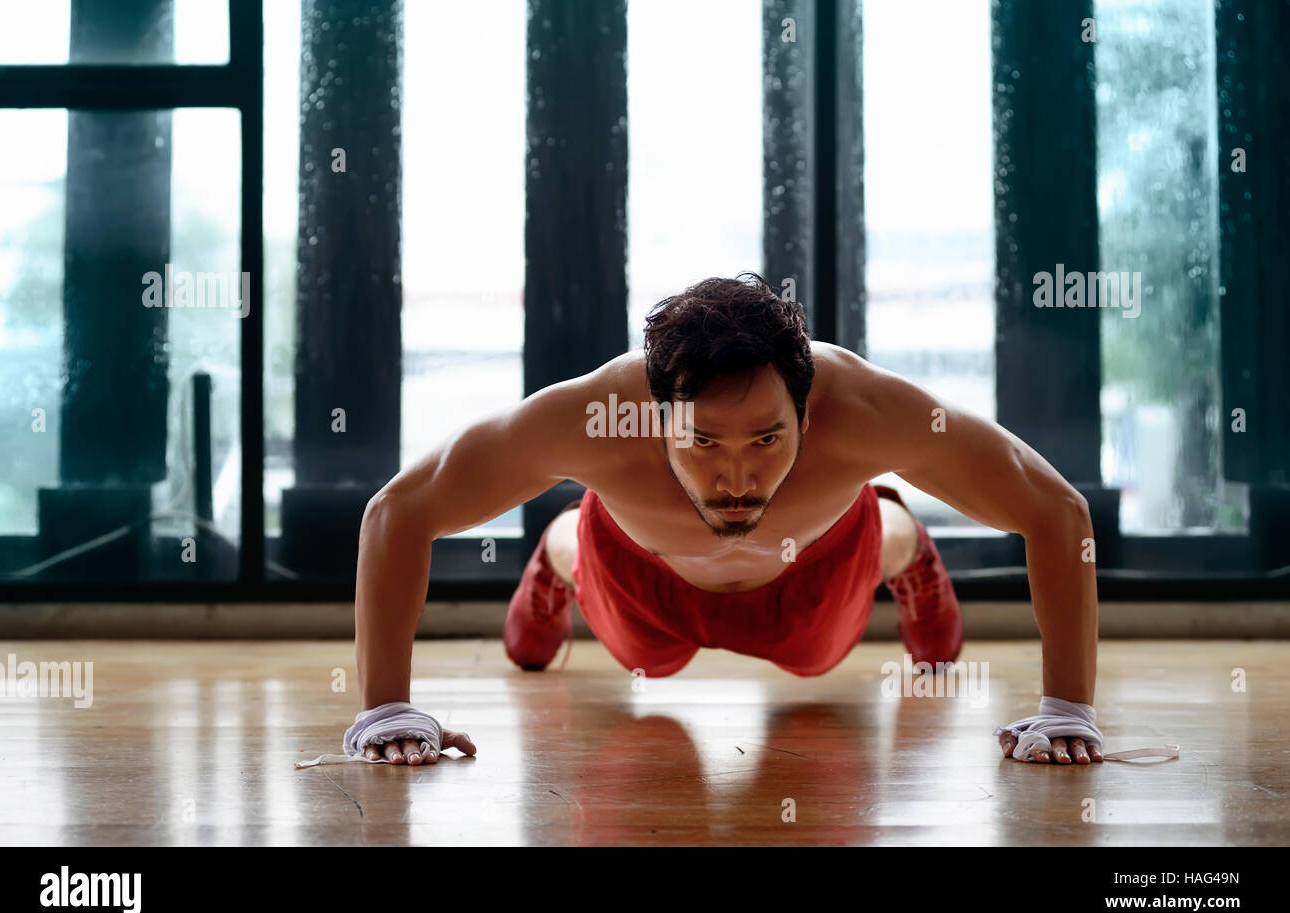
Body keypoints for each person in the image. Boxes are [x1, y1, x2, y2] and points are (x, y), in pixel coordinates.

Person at [350, 273, 1102, 767]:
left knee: (818, 651)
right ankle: (558, 552)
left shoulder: (867, 413)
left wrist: (1067, 709)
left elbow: (1056, 510)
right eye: (703, 443)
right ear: (657, 415)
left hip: (809, 576)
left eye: (768, 439)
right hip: (642, 578)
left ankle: (901, 542)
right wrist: (385, 711)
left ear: (808, 411)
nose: (737, 477)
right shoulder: (596, 418)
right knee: (626, 630)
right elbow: (399, 510)